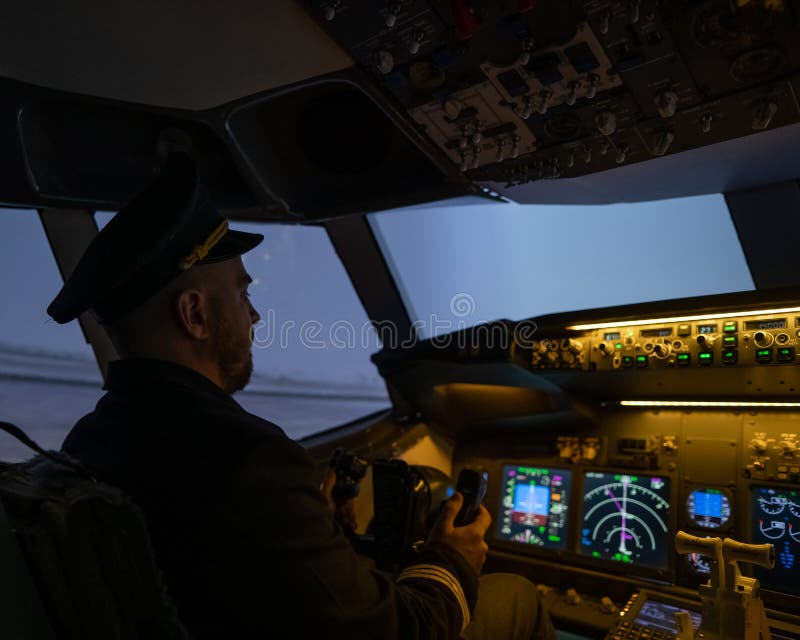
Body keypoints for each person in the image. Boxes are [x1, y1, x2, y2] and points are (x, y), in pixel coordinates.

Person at [48, 154, 555, 639]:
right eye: (243, 294)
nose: (255, 316)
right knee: (517, 593)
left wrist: (312, 531)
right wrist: (451, 559)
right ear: (195, 315)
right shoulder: (246, 460)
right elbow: (403, 631)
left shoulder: (85, 445)